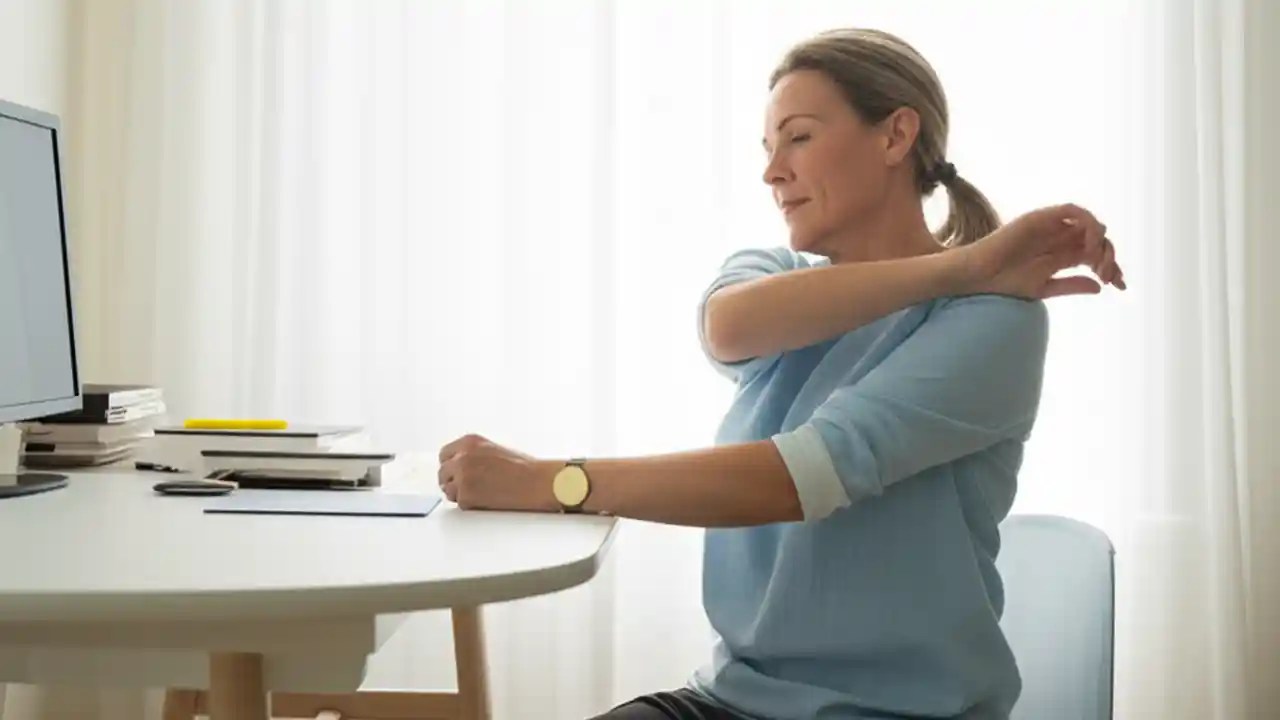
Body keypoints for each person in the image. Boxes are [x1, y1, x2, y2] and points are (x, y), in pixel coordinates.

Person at [436, 28, 1125, 720]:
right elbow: (727, 327)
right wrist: (963, 263)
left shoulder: (992, 325)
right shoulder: (770, 277)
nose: (772, 172)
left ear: (895, 138)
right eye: (768, 149)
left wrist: (552, 482)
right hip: (729, 701)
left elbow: (796, 479)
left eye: (797, 138)